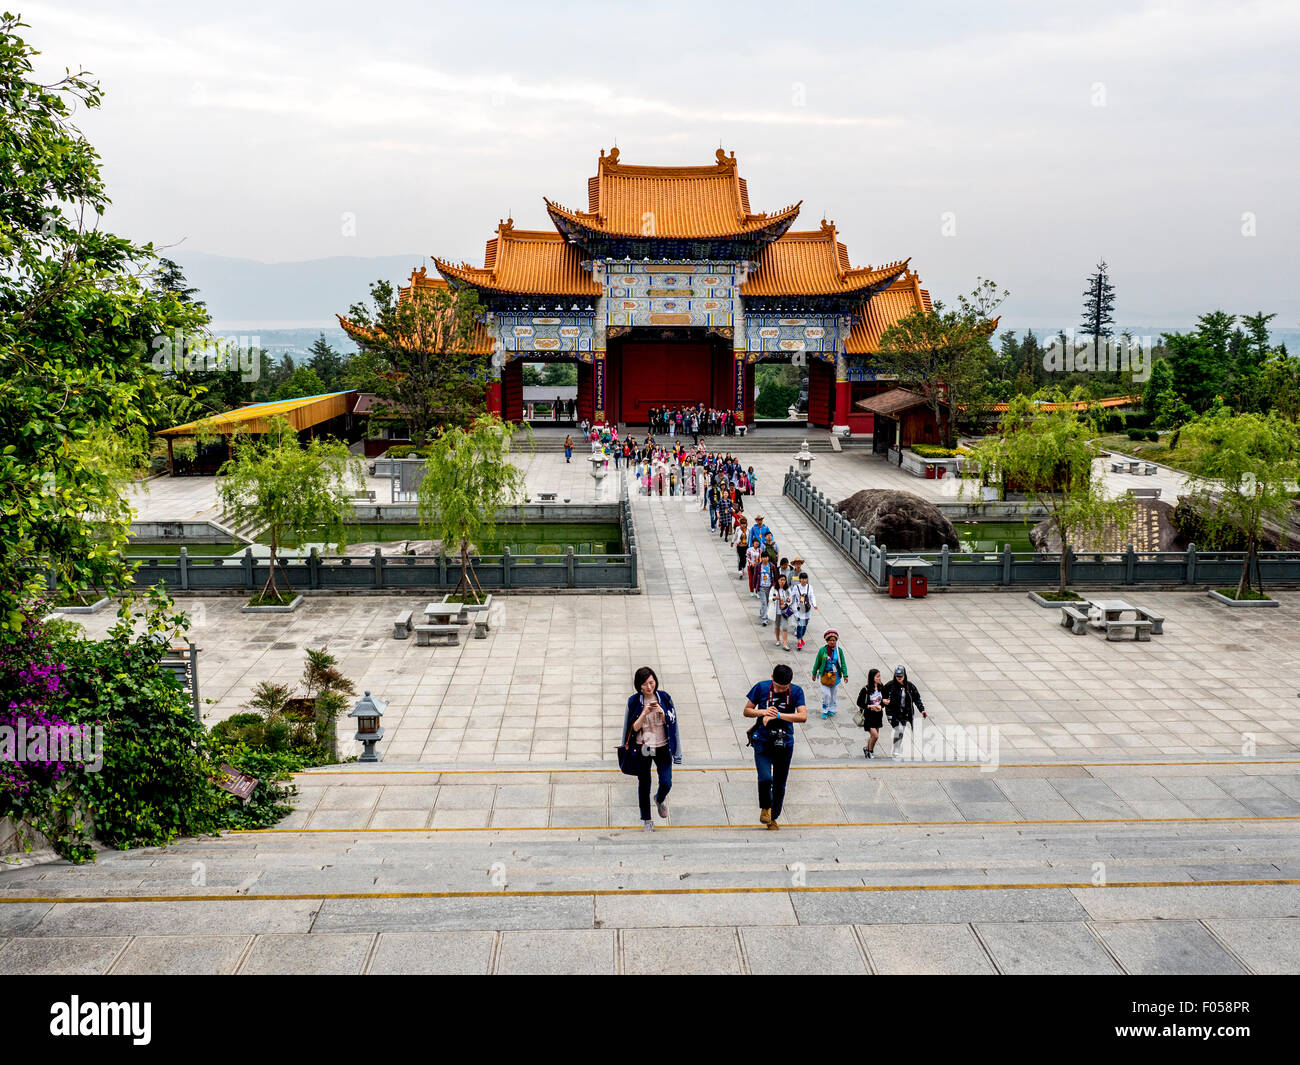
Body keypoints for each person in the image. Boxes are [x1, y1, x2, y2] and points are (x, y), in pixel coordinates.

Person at [742, 663, 807, 830]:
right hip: (762, 740)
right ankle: (765, 807)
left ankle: (773, 817)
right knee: (765, 778)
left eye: (784, 688)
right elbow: (747, 711)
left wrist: (778, 715)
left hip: (784, 742)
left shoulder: (797, 691)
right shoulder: (761, 688)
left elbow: (803, 716)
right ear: (772, 678)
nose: (779, 690)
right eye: (777, 687)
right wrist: (763, 712)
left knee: (780, 783)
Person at [623, 666, 681, 831]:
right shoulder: (634, 701)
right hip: (645, 746)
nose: (649, 687)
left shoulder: (664, 697)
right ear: (639, 686)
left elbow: (672, 721)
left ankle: (659, 798)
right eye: (645, 684)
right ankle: (647, 819)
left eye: (651, 682)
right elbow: (632, 728)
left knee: (666, 781)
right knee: (644, 782)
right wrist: (644, 713)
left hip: (662, 746)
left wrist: (662, 714)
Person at [882, 664, 927, 753]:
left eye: (901, 676)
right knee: (899, 729)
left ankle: (896, 748)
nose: (899, 678)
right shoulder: (889, 685)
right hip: (892, 712)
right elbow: (882, 695)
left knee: (901, 730)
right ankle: (896, 749)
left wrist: (922, 710)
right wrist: (883, 701)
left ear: (904, 675)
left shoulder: (909, 686)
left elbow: (916, 698)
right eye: (897, 676)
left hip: (904, 712)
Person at [811, 630, 848, 719]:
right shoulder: (822, 650)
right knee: (826, 694)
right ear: (827, 641)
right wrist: (814, 673)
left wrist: (845, 675)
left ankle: (832, 709)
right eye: (830, 640)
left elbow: (842, 663)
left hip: (835, 676)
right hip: (824, 675)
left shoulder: (839, 651)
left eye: (834, 640)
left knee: (833, 693)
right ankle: (825, 709)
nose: (832, 642)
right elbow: (818, 662)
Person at [857, 668, 885, 758]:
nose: (879, 678)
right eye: (877, 676)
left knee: (873, 736)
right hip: (869, 716)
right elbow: (859, 702)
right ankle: (870, 751)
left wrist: (881, 706)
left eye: (880, 676)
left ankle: (867, 750)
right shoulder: (865, 689)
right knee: (875, 736)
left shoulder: (881, 687)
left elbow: (884, 700)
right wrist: (870, 706)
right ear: (872, 678)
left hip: (878, 715)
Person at [792, 571, 817, 650]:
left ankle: (801, 637)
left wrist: (814, 604)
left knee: (805, 626)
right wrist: (790, 605)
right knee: (800, 626)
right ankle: (799, 642)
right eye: (802, 578)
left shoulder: (810, 587)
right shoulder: (796, 587)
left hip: (806, 610)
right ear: (800, 579)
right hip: (799, 609)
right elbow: (792, 596)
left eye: (805, 578)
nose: (803, 580)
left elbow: (812, 596)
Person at [771, 573, 794, 651]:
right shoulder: (774, 589)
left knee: (784, 627)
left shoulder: (787, 589)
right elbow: (770, 598)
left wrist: (786, 604)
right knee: (777, 626)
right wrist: (775, 598)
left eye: (784, 580)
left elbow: (790, 599)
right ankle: (778, 640)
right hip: (776, 611)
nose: (783, 581)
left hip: (784, 612)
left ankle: (785, 644)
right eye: (781, 580)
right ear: (778, 580)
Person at [756, 553, 776, 626]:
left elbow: (775, 576)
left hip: (769, 587)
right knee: (764, 602)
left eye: (765, 557)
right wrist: (755, 586)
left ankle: (762, 611)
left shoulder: (772, 566)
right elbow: (755, 576)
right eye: (763, 557)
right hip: (761, 587)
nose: (764, 559)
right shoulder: (758, 566)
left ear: (768, 558)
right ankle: (764, 619)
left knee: (766, 602)